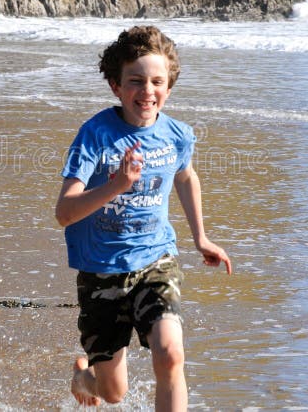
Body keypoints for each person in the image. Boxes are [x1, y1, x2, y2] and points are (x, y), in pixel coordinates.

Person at [55, 26, 233, 410]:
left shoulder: (178, 135)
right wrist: (116, 185)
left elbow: (185, 175)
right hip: (102, 270)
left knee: (170, 355)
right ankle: (84, 376)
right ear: (116, 86)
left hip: (156, 261)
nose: (147, 90)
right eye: (135, 81)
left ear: (169, 88)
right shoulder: (95, 135)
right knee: (112, 393)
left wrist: (201, 237)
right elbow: (65, 213)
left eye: (157, 81)